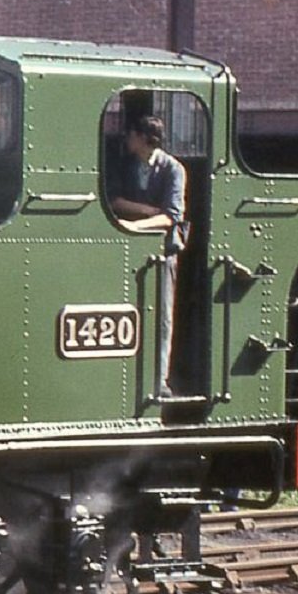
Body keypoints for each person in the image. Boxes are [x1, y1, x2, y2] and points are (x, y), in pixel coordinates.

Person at [111, 115, 187, 397]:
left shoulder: (173, 169)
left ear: (143, 138)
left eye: (131, 134)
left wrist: (134, 224)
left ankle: (159, 380)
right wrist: (150, 212)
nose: (127, 139)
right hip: (128, 246)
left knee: (163, 317)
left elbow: (173, 217)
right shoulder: (126, 165)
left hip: (161, 252)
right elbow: (115, 200)